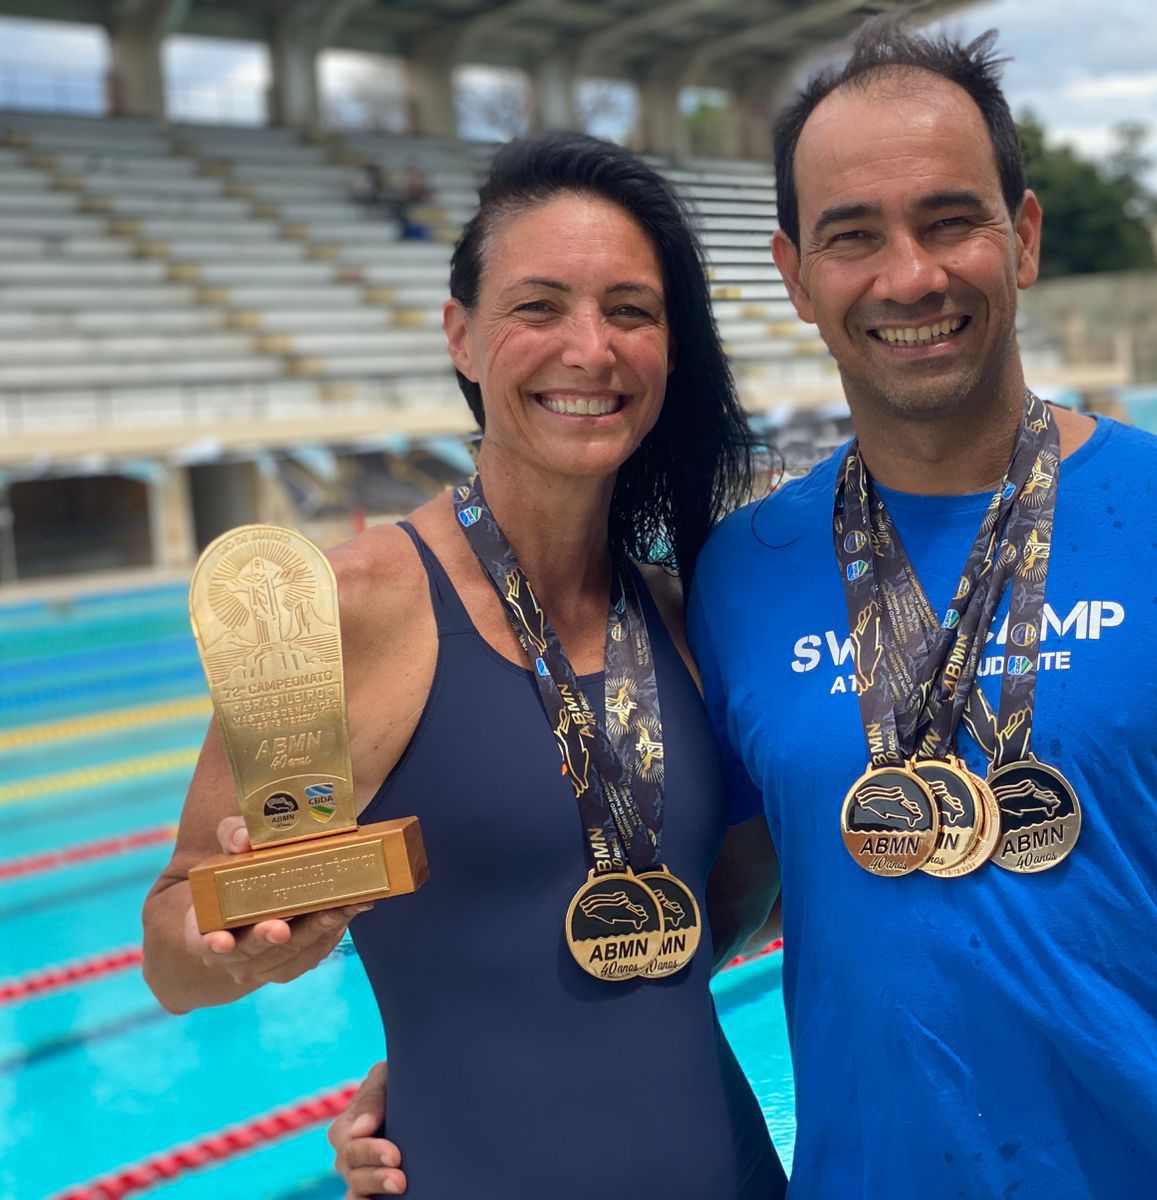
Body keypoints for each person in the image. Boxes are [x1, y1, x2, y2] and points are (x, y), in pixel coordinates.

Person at [335, 20, 1157, 1200]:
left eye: (949, 221)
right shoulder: (743, 572)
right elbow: (706, 902)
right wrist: (463, 1060)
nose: (910, 276)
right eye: (853, 237)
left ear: (1020, 237)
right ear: (794, 277)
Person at [141, 132, 786, 1199]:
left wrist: (552, 1006)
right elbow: (172, 938)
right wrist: (236, 949)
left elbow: (732, 901)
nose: (591, 348)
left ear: (669, 347)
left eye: (630, 310)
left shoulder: (679, 614)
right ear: (462, 337)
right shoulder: (348, 610)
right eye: (538, 307)